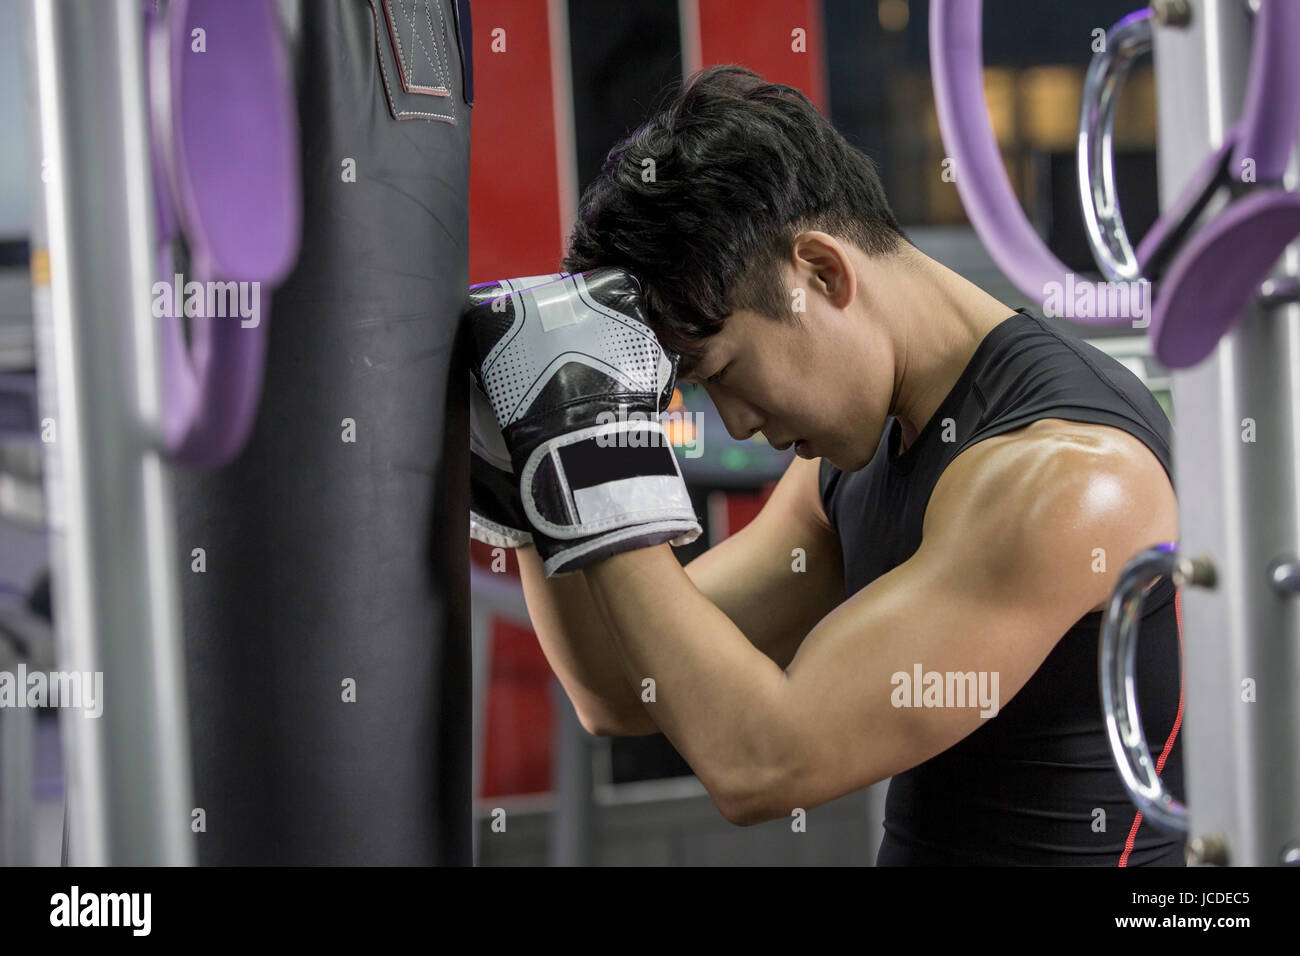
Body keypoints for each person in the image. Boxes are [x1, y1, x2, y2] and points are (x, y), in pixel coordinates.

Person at [467, 64, 1185, 865]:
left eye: (725, 371)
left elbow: (765, 763)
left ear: (821, 273)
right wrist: (521, 464)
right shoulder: (862, 451)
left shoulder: (1066, 480)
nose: (736, 420)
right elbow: (618, 689)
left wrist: (589, 453)